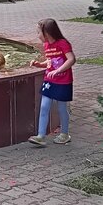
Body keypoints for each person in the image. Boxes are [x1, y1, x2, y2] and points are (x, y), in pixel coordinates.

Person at [29, 18, 76, 146]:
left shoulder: (62, 43)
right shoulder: (47, 45)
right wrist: (39, 64)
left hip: (63, 81)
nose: (38, 36)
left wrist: (58, 71)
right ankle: (40, 136)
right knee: (44, 106)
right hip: (49, 80)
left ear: (47, 33)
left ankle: (65, 134)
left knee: (61, 108)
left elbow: (71, 59)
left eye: (39, 32)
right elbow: (50, 62)